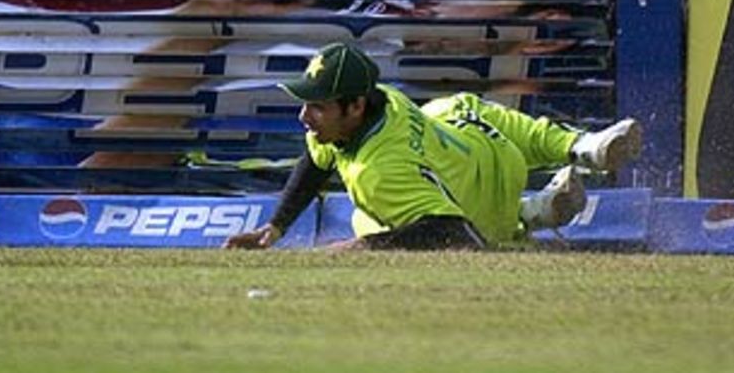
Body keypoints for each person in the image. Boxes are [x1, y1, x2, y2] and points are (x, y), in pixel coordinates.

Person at [225, 42, 643, 250]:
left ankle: (524, 215)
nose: (305, 116)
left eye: (317, 106)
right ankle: (582, 147)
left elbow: (451, 231)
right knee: (456, 106)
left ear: (354, 106)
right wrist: (276, 225)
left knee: (365, 223)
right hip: (492, 150)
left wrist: (357, 248)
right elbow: (316, 161)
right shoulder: (384, 99)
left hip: (477, 225)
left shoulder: (378, 174)